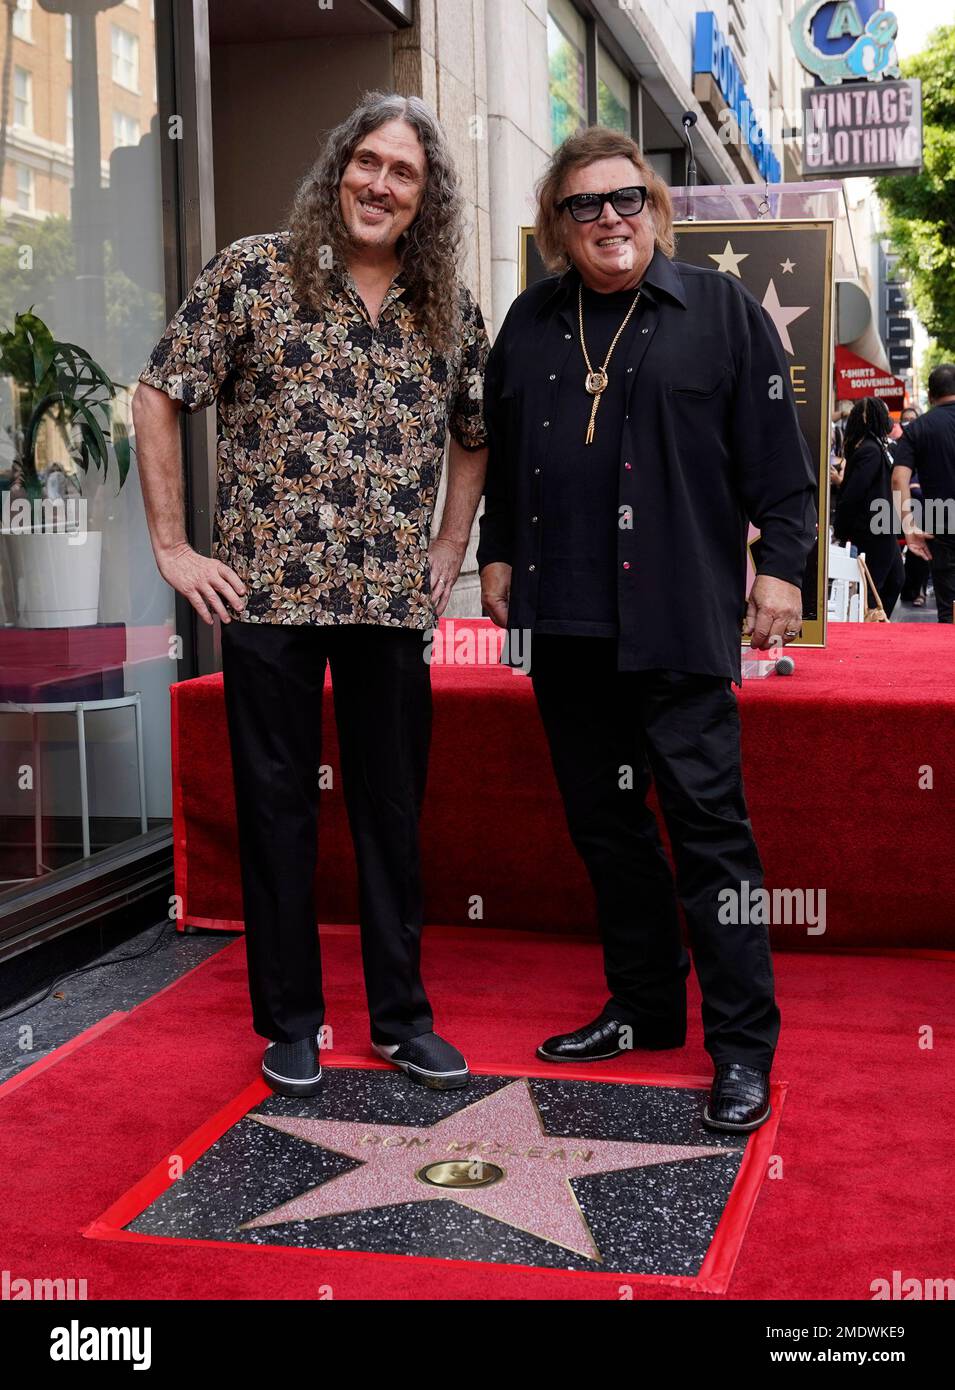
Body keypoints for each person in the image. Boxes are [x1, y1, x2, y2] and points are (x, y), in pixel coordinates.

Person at [132, 93, 489, 1097]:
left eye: (403, 173)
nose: (380, 184)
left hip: (388, 604)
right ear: (341, 168)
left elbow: (475, 435)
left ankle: (401, 1018)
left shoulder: (448, 306)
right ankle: (290, 1021)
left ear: (426, 199)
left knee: (389, 811)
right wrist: (172, 545)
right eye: (366, 162)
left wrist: (450, 546)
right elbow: (158, 390)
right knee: (277, 810)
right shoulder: (255, 271)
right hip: (268, 595)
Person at [478, 127, 816, 1134]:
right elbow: (501, 455)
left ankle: (742, 1047)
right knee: (607, 829)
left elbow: (777, 460)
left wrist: (783, 568)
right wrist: (495, 551)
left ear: (657, 211)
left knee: (712, 838)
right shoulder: (531, 321)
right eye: (583, 205)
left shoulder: (718, 312)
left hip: (677, 620)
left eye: (625, 198)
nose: (608, 218)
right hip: (561, 625)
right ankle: (642, 1006)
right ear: (556, 226)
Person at [892, 365, 955, 622]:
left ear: (930, 395)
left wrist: (909, 526)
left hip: (941, 528)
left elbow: (898, 479)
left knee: (949, 611)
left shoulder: (918, 428)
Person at [833, 397, 904, 616]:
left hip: (882, 526)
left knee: (893, 579)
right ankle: (871, 624)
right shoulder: (870, 450)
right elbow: (854, 494)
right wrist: (842, 529)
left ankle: (875, 621)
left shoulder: (872, 446)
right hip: (874, 529)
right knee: (877, 585)